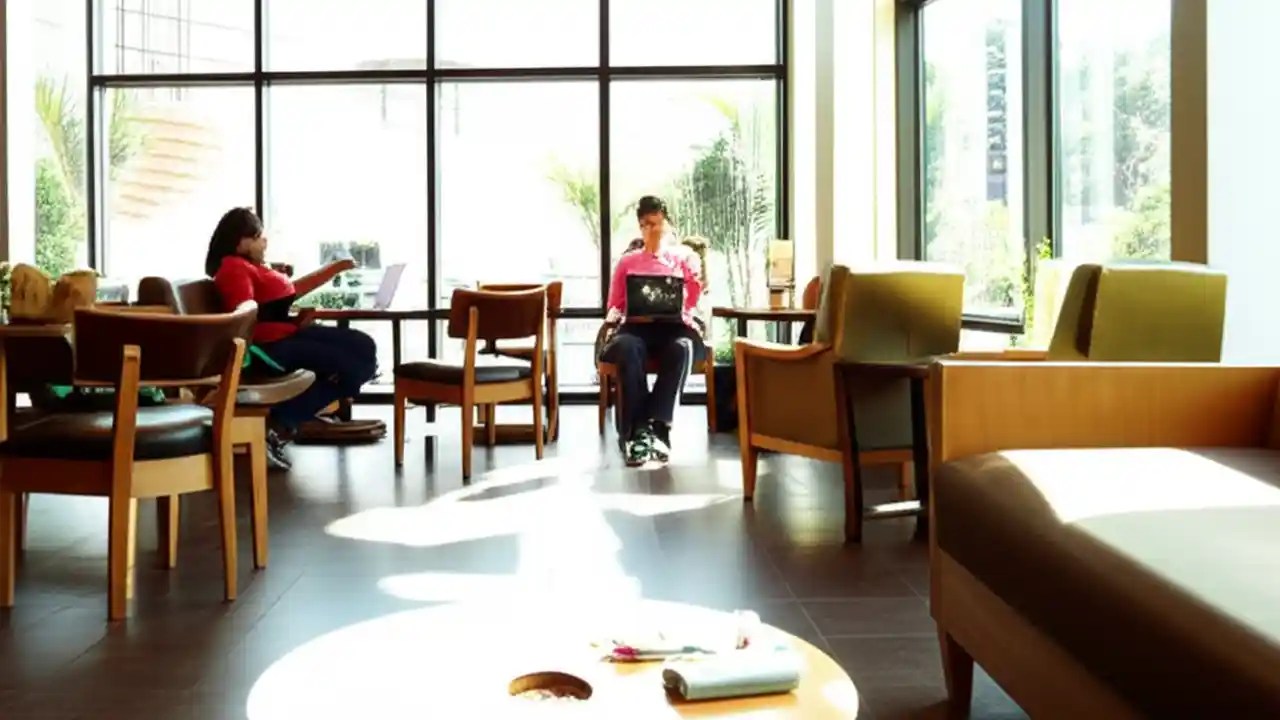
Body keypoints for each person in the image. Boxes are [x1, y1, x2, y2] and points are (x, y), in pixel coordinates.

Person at [205, 207, 381, 469]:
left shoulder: (251, 266)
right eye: (258, 236)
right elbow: (245, 315)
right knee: (356, 367)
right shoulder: (233, 269)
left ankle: (285, 421)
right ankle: (281, 422)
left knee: (364, 347)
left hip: (287, 335)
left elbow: (286, 295)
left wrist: (296, 318)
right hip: (269, 348)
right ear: (241, 241)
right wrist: (287, 321)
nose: (263, 242)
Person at [600, 196, 705, 466]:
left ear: (666, 224)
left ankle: (658, 426)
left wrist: (691, 279)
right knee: (627, 347)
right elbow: (615, 303)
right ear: (640, 227)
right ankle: (637, 430)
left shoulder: (682, 259)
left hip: (673, 327)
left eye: (657, 224)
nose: (652, 230)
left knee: (683, 348)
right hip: (635, 328)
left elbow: (693, 301)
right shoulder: (628, 262)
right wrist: (616, 317)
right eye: (646, 224)